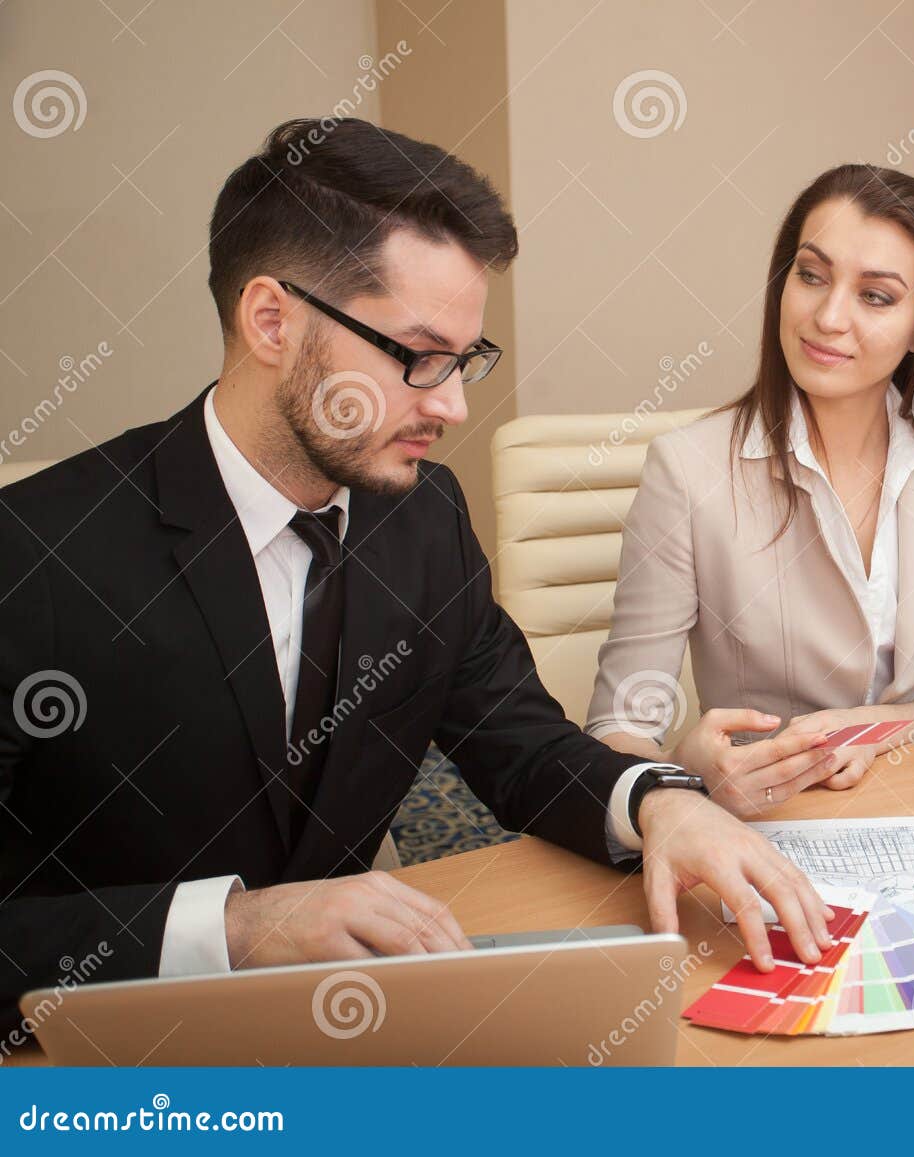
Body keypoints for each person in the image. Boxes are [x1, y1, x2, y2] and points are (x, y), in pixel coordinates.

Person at [0, 118, 835, 1036]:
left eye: (465, 359)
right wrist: (234, 927)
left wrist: (661, 801)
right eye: (417, 355)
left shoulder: (422, 517)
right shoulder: (33, 554)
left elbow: (519, 743)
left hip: (364, 1031)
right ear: (271, 319)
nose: (452, 403)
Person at [586, 164, 914, 816]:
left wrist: (866, 735)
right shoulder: (686, 470)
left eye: (876, 296)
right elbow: (617, 725)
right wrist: (688, 764)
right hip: (764, 818)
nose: (828, 317)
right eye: (811, 276)